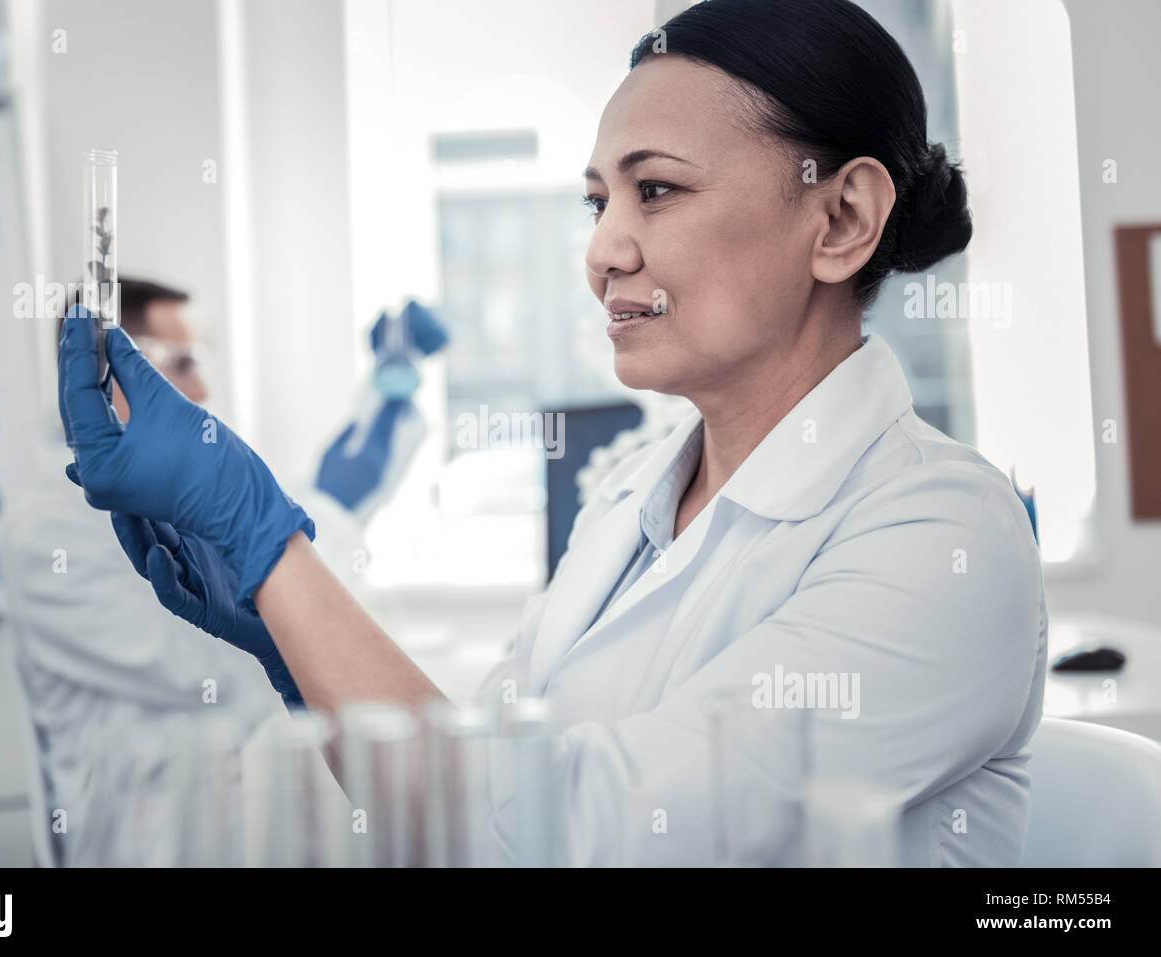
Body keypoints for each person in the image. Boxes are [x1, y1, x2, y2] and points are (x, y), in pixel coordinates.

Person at [56, 0, 1047, 866]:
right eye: (596, 200)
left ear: (840, 219)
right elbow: (473, 786)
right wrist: (292, 647)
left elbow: (567, 839)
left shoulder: (942, 535)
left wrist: (267, 548)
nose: (603, 250)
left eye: (654, 189)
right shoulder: (626, 506)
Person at [2, 278, 436, 865]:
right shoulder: (49, 534)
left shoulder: (169, 496)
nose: (201, 389)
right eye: (181, 363)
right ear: (104, 374)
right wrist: (329, 514)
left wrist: (380, 412)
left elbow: (279, 572)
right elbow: (230, 668)